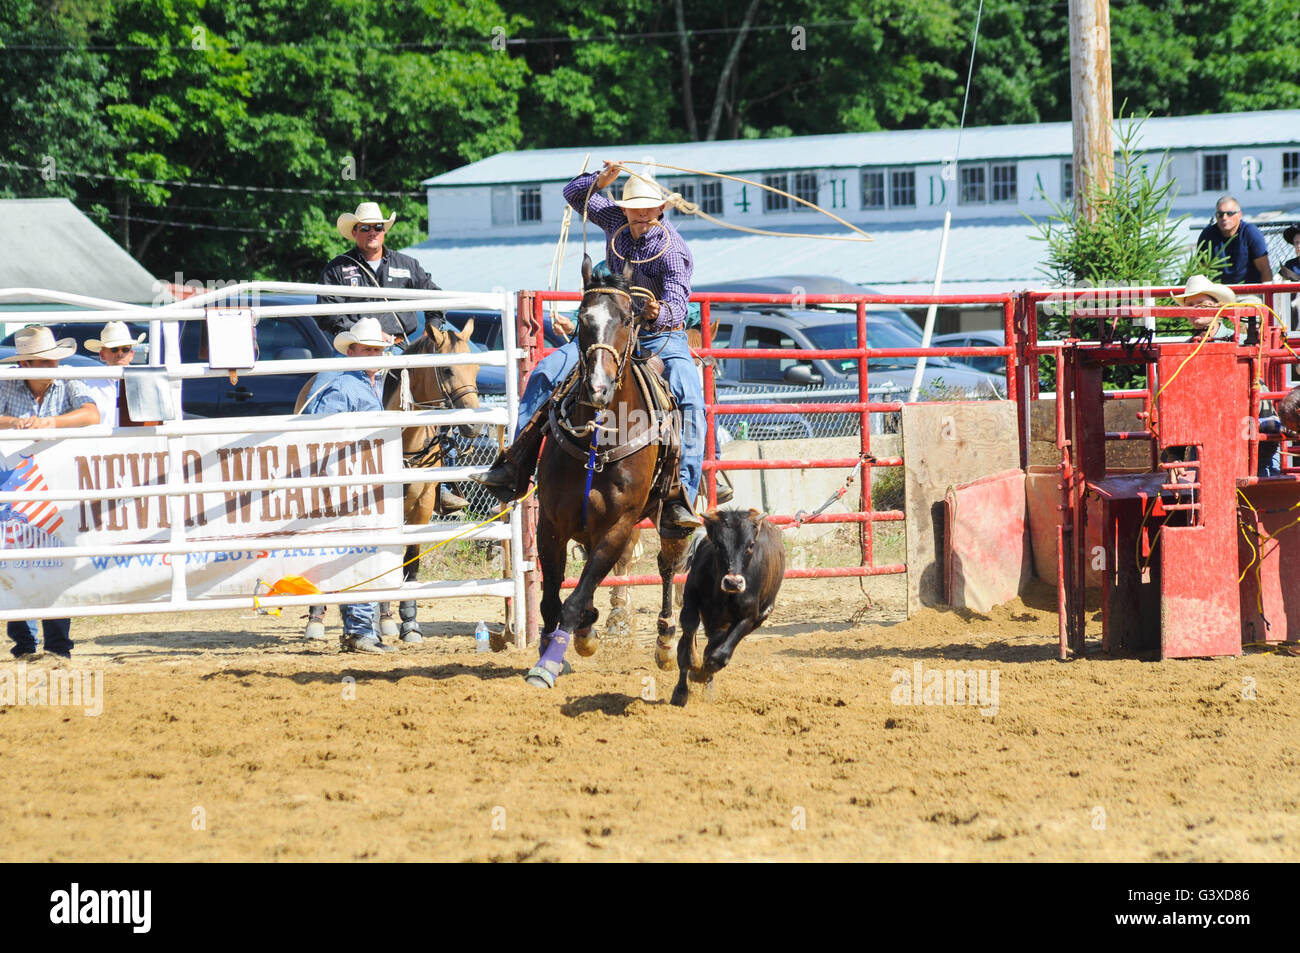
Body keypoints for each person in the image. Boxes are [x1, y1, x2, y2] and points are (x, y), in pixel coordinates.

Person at [473, 161, 706, 534]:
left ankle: (683, 497)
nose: (641, 214)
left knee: (690, 397)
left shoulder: (673, 251)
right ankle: (515, 463)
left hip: (659, 338)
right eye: (635, 207)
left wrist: (658, 310)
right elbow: (573, 195)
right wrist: (600, 180)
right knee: (547, 370)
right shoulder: (616, 221)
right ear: (626, 208)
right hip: (610, 332)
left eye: (648, 208)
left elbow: (679, 306)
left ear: (661, 209)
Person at [318, 200, 467, 512]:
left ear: (384, 231)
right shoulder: (337, 269)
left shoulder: (407, 264)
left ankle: (441, 483)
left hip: (401, 349)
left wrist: (433, 331)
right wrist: (357, 334)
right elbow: (325, 309)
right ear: (354, 232)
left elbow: (435, 297)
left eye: (377, 227)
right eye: (365, 228)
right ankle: (339, 471)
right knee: (338, 398)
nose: (372, 232)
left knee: (435, 397)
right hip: (359, 353)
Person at [299, 317, 398, 655]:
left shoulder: (357, 381)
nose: (373, 355)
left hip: (357, 481)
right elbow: (328, 438)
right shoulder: (344, 386)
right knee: (357, 552)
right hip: (347, 482)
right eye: (368, 350)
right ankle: (359, 629)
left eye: (377, 350)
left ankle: (360, 628)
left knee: (358, 553)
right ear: (352, 350)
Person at [0, 326, 100, 659]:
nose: (52, 366)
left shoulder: (68, 381)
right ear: (25, 365)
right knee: (17, 561)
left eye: (52, 360)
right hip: (18, 488)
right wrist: (15, 423)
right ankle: (26, 645)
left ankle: (56, 647)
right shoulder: (7, 382)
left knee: (55, 559)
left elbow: (91, 413)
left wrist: (51, 423)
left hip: (55, 487)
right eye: (43, 362)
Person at [82, 321, 160, 426]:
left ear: (131, 354)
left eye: (125, 349)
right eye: (114, 349)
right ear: (102, 355)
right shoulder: (89, 383)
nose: (120, 353)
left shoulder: (144, 380)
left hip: (137, 440)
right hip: (101, 440)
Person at [1196, 196, 1273, 286]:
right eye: (1220, 214)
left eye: (1229, 213)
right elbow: (1200, 271)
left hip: (1249, 291)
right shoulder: (1208, 234)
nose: (1224, 218)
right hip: (1219, 291)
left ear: (1240, 215)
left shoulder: (1250, 232)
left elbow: (1265, 269)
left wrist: (1266, 296)